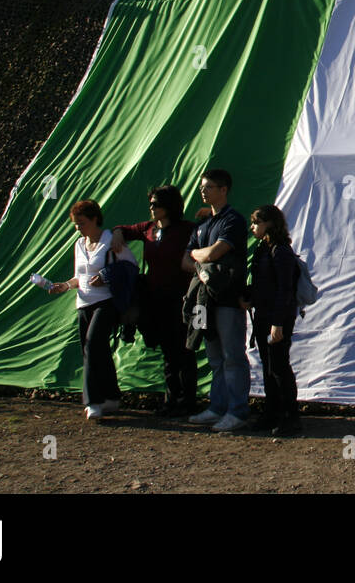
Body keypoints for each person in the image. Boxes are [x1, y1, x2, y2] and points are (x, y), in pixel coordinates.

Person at [110, 185, 198, 417]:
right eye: (150, 203)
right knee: (168, 352)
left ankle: (187, 401)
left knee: (185, 350)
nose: (152, 207)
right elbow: (123, 228)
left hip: (182, 298)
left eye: (156, 204)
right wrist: (118, 232)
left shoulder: (186, 229)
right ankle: (171, 400)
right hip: (156, 299)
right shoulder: (149, 229)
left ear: (169, 206)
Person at [49, 200, 137, 420]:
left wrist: (107, 276)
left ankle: (93, 401)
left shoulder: (110, 240)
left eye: (82, 222)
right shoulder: (79, 244)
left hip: (106, 301)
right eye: (75, 224)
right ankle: (111, 397)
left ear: (95, 219)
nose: (78, 227)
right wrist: (66, 285)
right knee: (97, 349)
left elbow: (131, 266)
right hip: (83, 303)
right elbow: (80, 277)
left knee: (93, 343)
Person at [183, 168, 249, 432]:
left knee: (232, 355)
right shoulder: (202, 224)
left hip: (228, 299)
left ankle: (238, 412)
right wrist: (202, 259)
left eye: (209, 187)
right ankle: (217, 407)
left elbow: (215, 252)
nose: (203, 191)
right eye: (203, 187)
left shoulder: (233, 220)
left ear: (223, 190)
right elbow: (185, 261)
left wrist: (200, 256)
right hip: (203, 299)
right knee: (214, 357)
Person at [245, 204, 301, 437]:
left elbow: (285, 290)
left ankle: (290, 417)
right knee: (269, 367)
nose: (253, 227)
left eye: (257, 222)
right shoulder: (263, 249)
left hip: (277, 318)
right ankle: (271, 412)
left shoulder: (281, 251)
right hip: (263, 315)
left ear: (269, 223)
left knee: (279, 367)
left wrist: (277, 323)